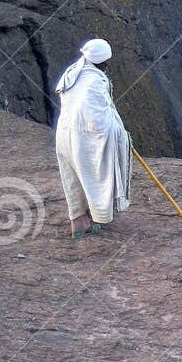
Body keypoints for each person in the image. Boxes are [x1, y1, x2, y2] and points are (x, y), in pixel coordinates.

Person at [54, 38, 131, 238]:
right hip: (83, 137)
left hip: (65, 133)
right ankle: (89, 219)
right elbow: (99, 117)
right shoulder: (94, 80)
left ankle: (80, 222)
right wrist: (119, 133)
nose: (108, 65)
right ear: (101, 61)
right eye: (106, 61)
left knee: (75, 178)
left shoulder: (73, 72)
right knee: (94, 176)